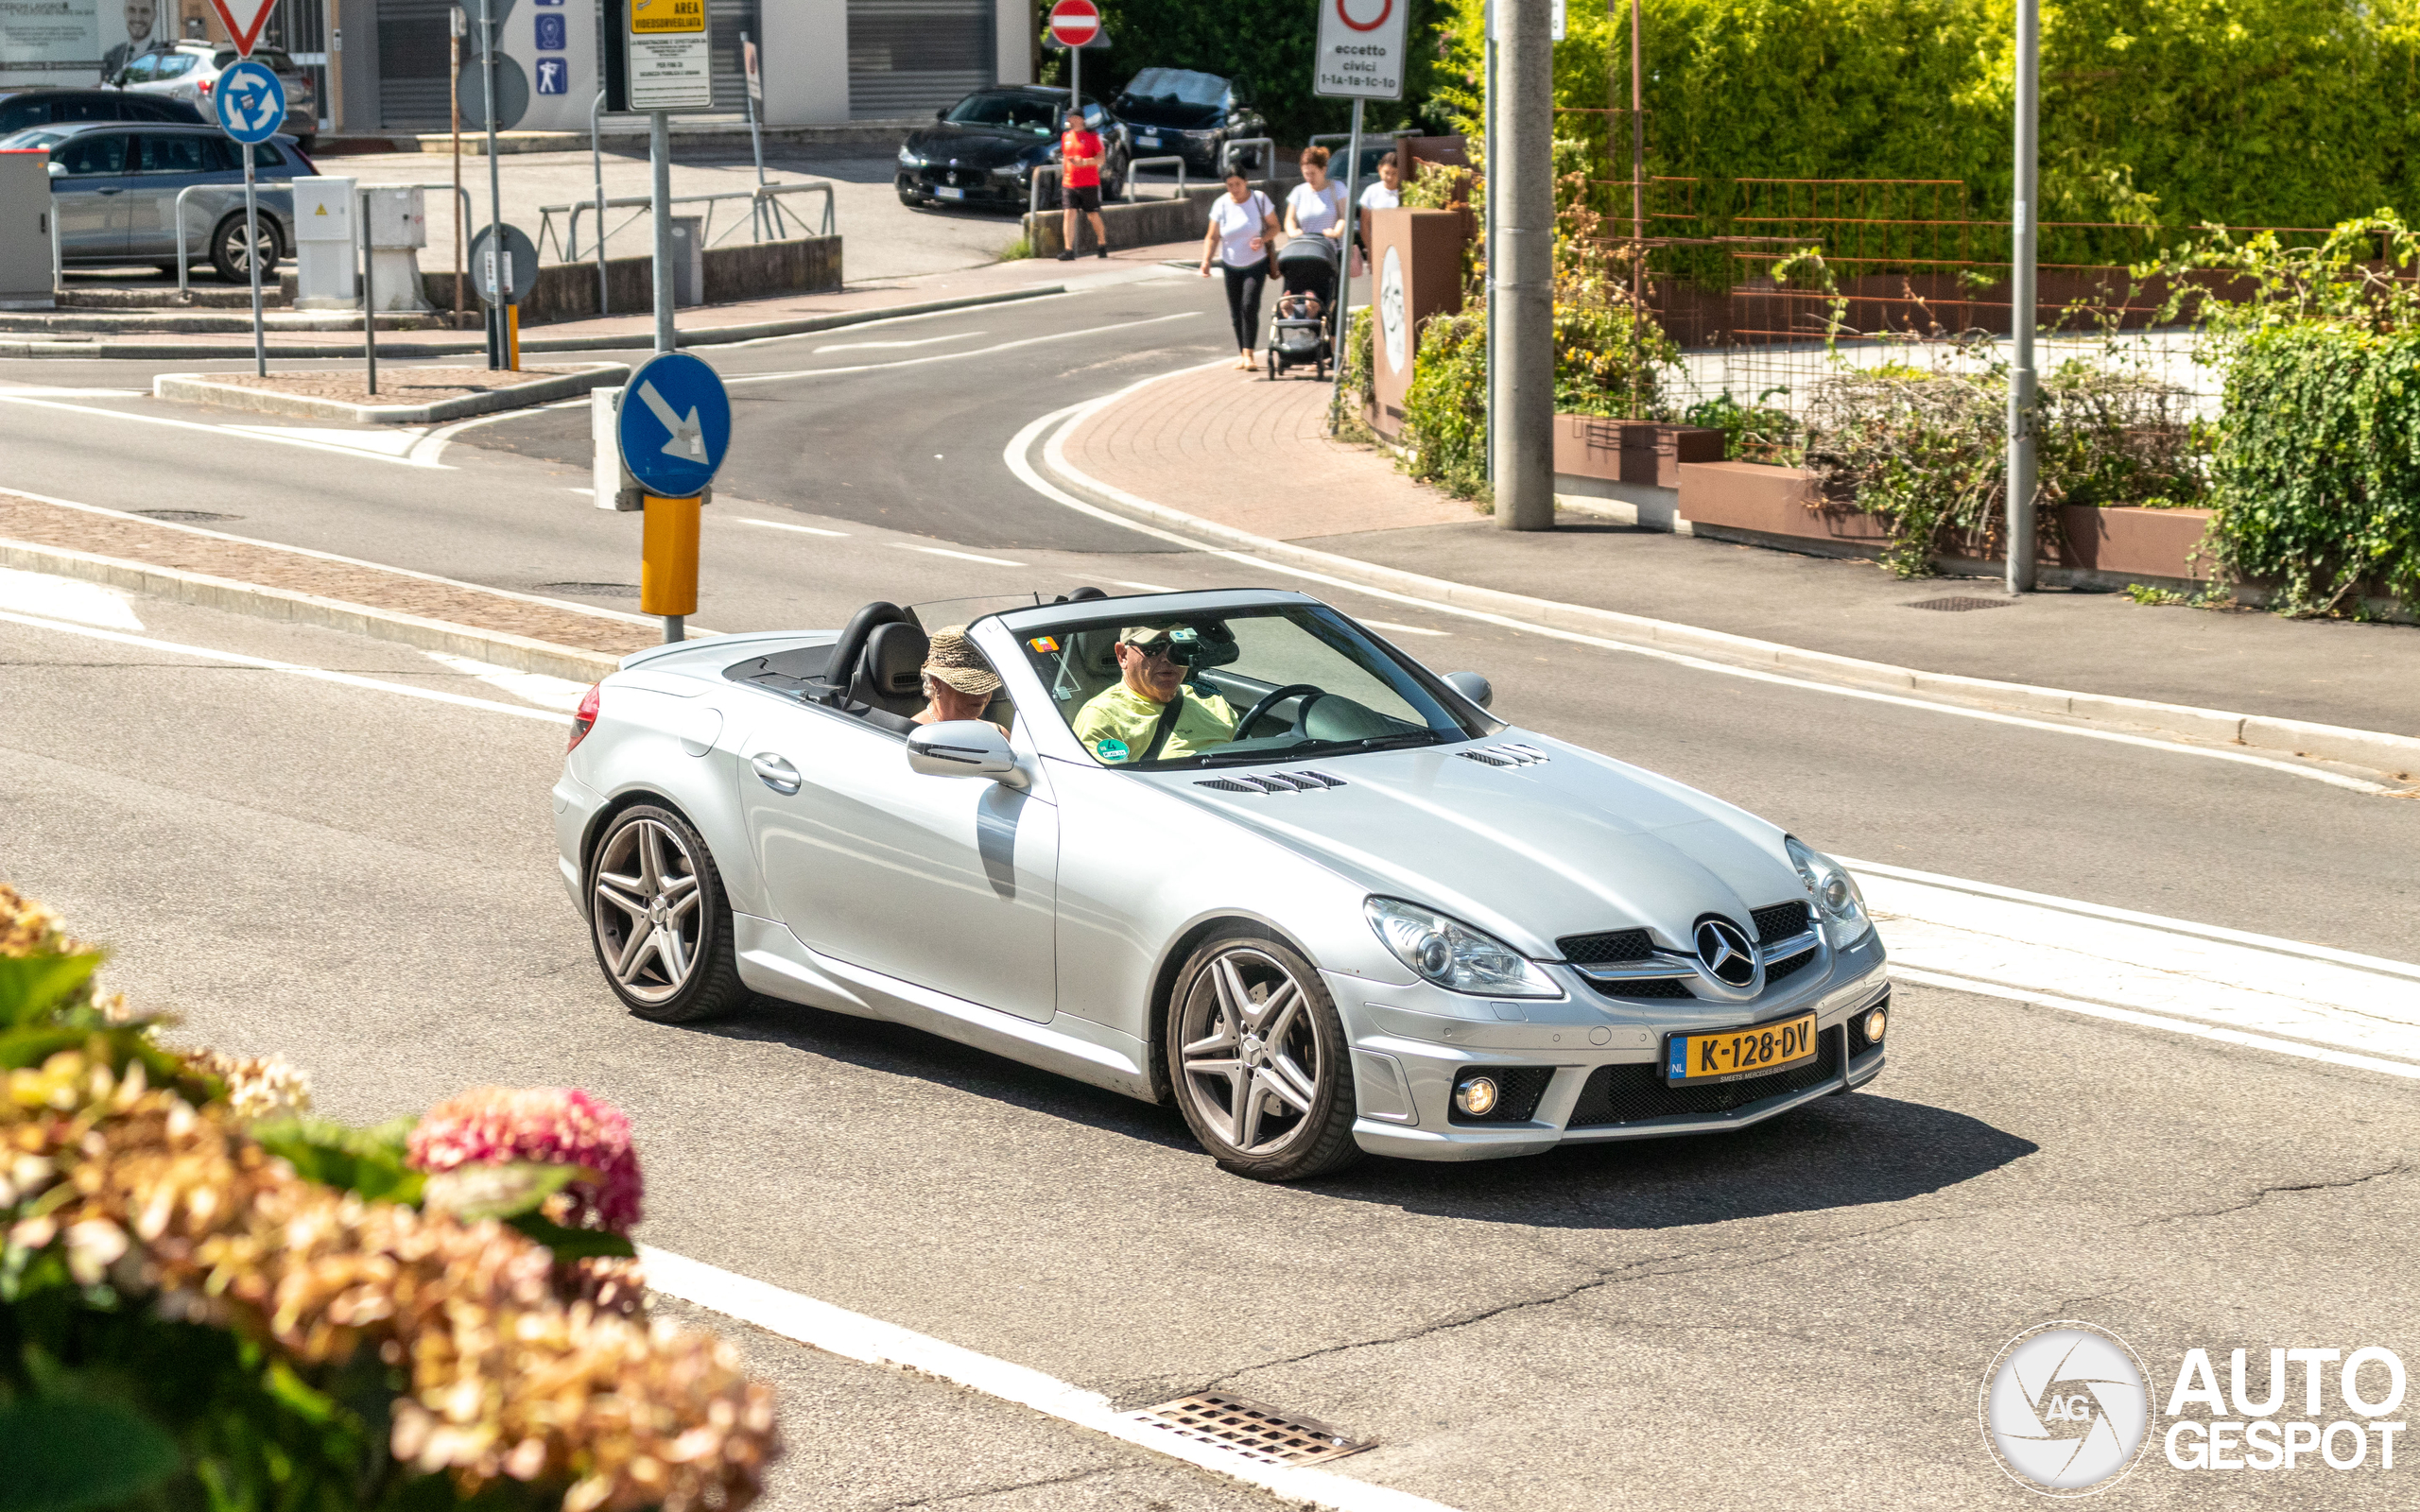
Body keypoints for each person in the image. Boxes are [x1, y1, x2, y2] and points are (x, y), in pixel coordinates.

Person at [1072, 626, 1237, 765]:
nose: (1168, 658)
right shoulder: (1103, 716)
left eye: (1178, 647)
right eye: (1154, 647)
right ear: (1122, 655)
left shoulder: (1211, 700)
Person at [1199, 169, 1279, 370]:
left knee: (1249, 305)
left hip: (1256, 262)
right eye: (1230, 185)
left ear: (1246, 181)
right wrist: (1206, 260)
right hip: (1230, 264)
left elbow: (1275, 226)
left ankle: (1249, 354)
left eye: (1238, 184)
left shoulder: (1259, 199)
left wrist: (1264, 239)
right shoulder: (1221, 204)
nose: (1234, 189)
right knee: (1236, 312)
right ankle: (1242, 354)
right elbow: (1212, 236)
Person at [912, 627, 1008, 736]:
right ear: (936, 681)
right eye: (969, 685)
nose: (982, 693)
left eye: (987, 684)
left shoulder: (999, 735)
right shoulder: (913, 736)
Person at [1056, 105, 1109, 262]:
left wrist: (1084, 162)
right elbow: (1066, 157)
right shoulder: (1066, 136)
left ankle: (1102, 243)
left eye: (1070, 117)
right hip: (1069, 183)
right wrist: (1064, 174)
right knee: (1068, 214)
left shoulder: (1092, 137)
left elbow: (1101, 158)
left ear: (1079, 119)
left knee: (1092, 215)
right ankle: (1068, 250)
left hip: (1089, 183)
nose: (1068, 120)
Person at [1284, 146, 1348, 243]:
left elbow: (1344, 217)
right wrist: (1292, 231)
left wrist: (1336, 233)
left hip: (1331, 250)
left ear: (1323, 170)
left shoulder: (1338, 188)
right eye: (1306, 174)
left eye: (1313, 173)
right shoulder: (1298, 192)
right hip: (1305, 249)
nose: (1309, 178)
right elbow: (1290, 219)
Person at [1354, 151, 1404, 264]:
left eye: (1394, 173)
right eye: (1386, 172)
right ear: (1379, 169)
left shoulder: (1406, 191)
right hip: (1379, 248)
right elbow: (1364, 225)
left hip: (1402, 248)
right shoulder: (1371, 191)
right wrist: (1371, 250)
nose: (1389, 177)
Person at [100, 0, 157, 81]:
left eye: (144, 11)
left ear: (154, 15)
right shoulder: (111, 56)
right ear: (124, 12)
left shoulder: (163, 56)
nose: (137, 18)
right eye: (132, 10)